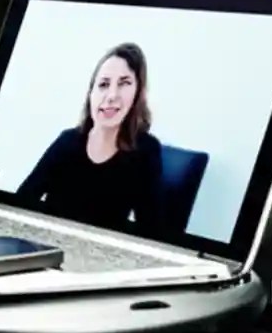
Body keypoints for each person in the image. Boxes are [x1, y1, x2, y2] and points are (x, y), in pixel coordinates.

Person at [15, 42, 166, 234]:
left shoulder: (146, 150)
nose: (111, 95)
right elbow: (21, 202)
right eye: (103, 85)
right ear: (91, 94)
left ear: (138, 93)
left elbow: (153, 232)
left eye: (124, 83)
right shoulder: (68, 141)